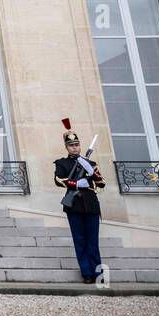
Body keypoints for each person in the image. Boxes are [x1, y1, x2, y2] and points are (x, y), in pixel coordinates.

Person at [54, 117, 107, 284]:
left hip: (91, 204)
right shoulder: (62, 163)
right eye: (71, 145)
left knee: (93, 240)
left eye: (76, 145)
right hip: (74, 204)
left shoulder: (90, 163)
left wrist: (92, 173)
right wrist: (76, 183)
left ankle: (98, 273)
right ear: (67, 147)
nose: (74, 148)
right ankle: (87, 273)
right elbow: (58, 180)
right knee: (80, 239)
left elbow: (102, 183)